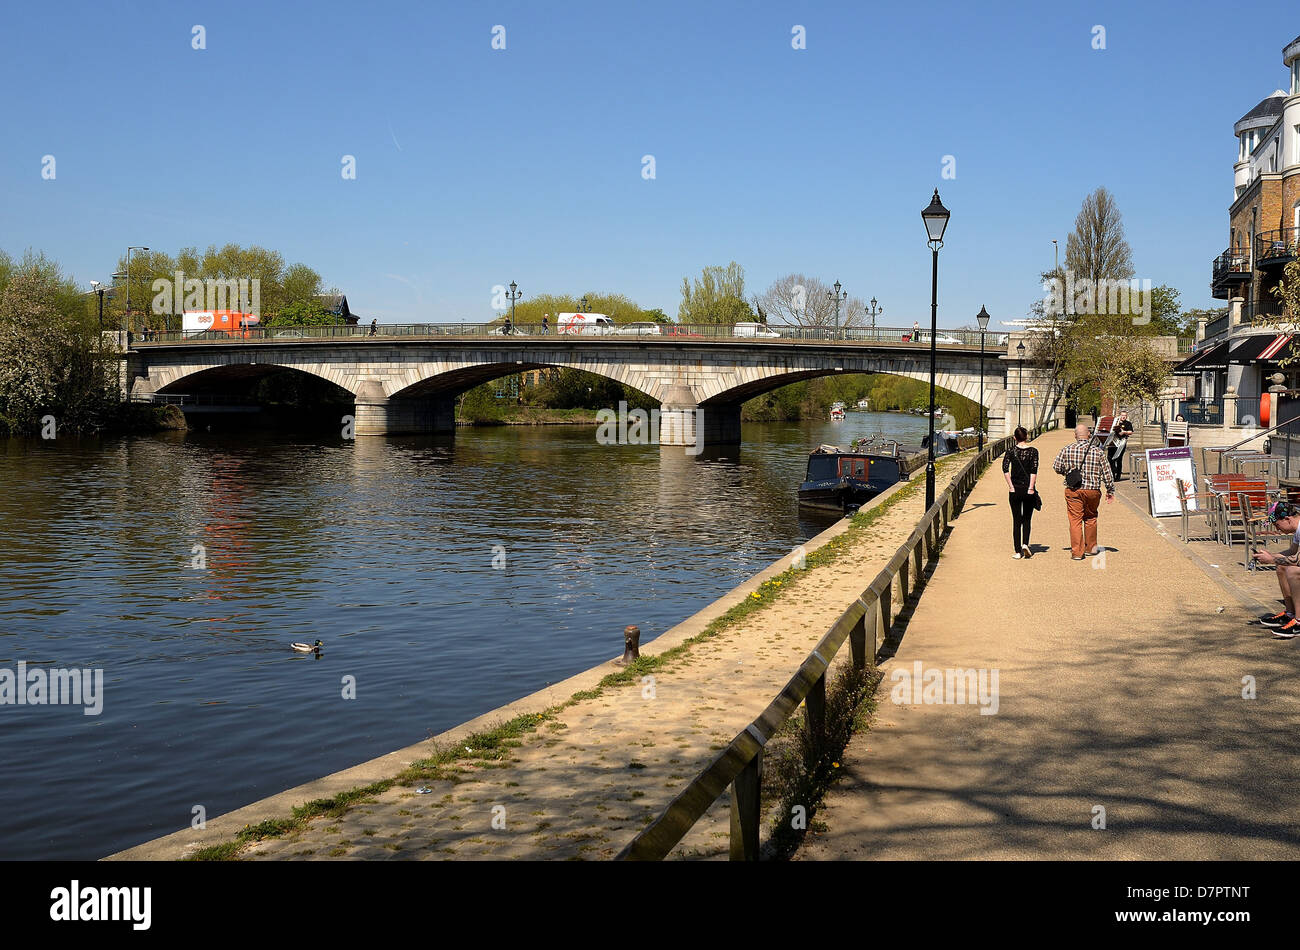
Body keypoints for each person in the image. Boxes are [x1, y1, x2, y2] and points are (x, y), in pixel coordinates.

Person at [1052, 423, 1115, 560]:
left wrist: (1068, 473)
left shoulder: (1067, 449)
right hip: (1092, 489)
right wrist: (1110, 490)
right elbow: (1107, 473)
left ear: (1075, 435)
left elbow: (1056, 466)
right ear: (1089, 435)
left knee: (1075, 520)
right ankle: (1091, 548)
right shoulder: (1097, 451)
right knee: (1091, 517)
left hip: (1074, 489)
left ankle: (1077, 552)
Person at [1250, 501, 1300, 638]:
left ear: (1287, 519)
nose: (1277, 529)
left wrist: (1272, 559)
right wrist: (1269, 556)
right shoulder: (1298, 529)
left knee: (1293, 570)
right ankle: (1290, 614)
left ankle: (1299, 622)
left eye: (1277, 525)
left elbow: (1297, 560)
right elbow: (1291, 552)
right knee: (1282, 566)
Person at [1002, 425, 1038, 559]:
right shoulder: (1034, 451)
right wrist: (1031, 487)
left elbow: (1005, 469)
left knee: (1016, 520)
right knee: (1027, 519)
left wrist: (1011, 486)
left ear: (1014, 438)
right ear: (1026, 437)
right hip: (1027, 489)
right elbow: (1034, 471)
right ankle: (1025, 544)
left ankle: (1017, 551)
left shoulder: (1011, 451)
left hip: (1015, 489)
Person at [1106, 411, 1134, 481]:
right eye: (1122, 415)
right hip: (1112, 443)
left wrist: (1124, 432)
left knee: (1118, 459)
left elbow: (1131, 432)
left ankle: (1117, 477)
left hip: (1121, 442)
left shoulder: (1128, 423)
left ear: (1126, 416)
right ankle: (1112, 474)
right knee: (1110, 459)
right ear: (1120, 416)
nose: (1123, 417)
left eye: (1125, 415)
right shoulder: (1115, 422)